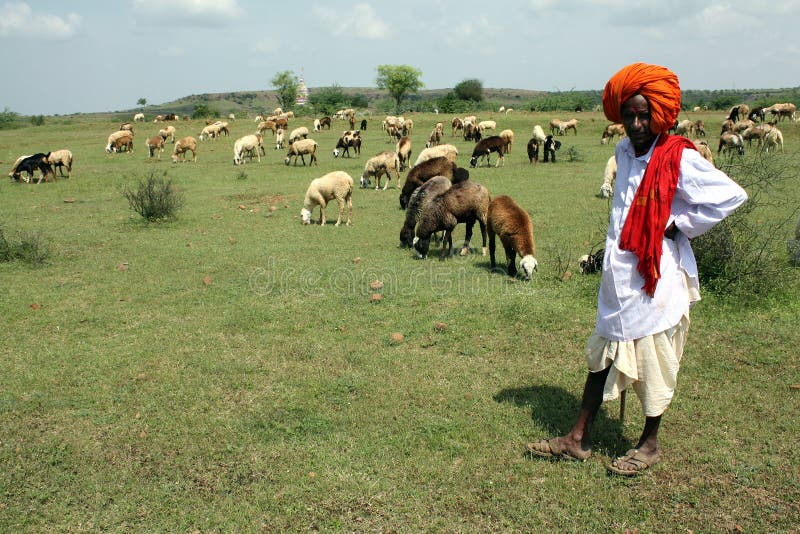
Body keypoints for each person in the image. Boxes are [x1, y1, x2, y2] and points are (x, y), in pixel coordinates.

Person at [525, 63, 748, 476]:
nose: (636, 122)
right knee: (602, 352)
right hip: (620, 274)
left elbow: (731, 195)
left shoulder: (678, 156)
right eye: (629, 114)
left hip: (657, 276)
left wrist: (678, 224)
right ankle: (578, 438)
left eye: (644, 114)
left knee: (654, 358)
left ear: (659, 114)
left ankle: (649, 443)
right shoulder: (622, 152)